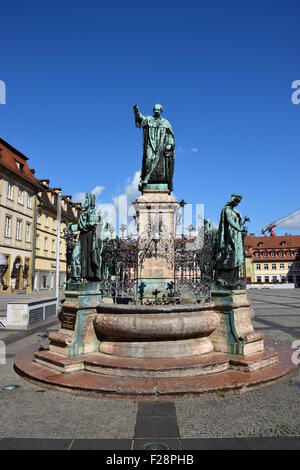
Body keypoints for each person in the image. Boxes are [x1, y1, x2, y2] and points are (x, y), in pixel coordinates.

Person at [133, 103, 175, 192]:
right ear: (153, 110)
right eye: (155, 109)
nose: (156, 111)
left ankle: (152, 180)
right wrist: (136, 111)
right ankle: (146, 178)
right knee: (148, 159)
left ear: (161, 111)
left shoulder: (165, 122)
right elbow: (140, 119)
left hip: (161, 146)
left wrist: (170, 144)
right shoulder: (149, 119)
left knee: (160, 165)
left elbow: (170, 135)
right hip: (150, 144)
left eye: (158, 110)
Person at [215, 194, 247, 289]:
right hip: (230, 235)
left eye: (238, 202)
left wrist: (240, 219)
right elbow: (229, 221)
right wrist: (239, 229)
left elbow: (237, 222)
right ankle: (224, 279)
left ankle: (234, 280)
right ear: (233, 201)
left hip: (236, 235)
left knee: (237, 256)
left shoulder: (234, 212)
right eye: (236, 202)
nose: (237, 204)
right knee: (231, 255)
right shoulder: (227, 210)